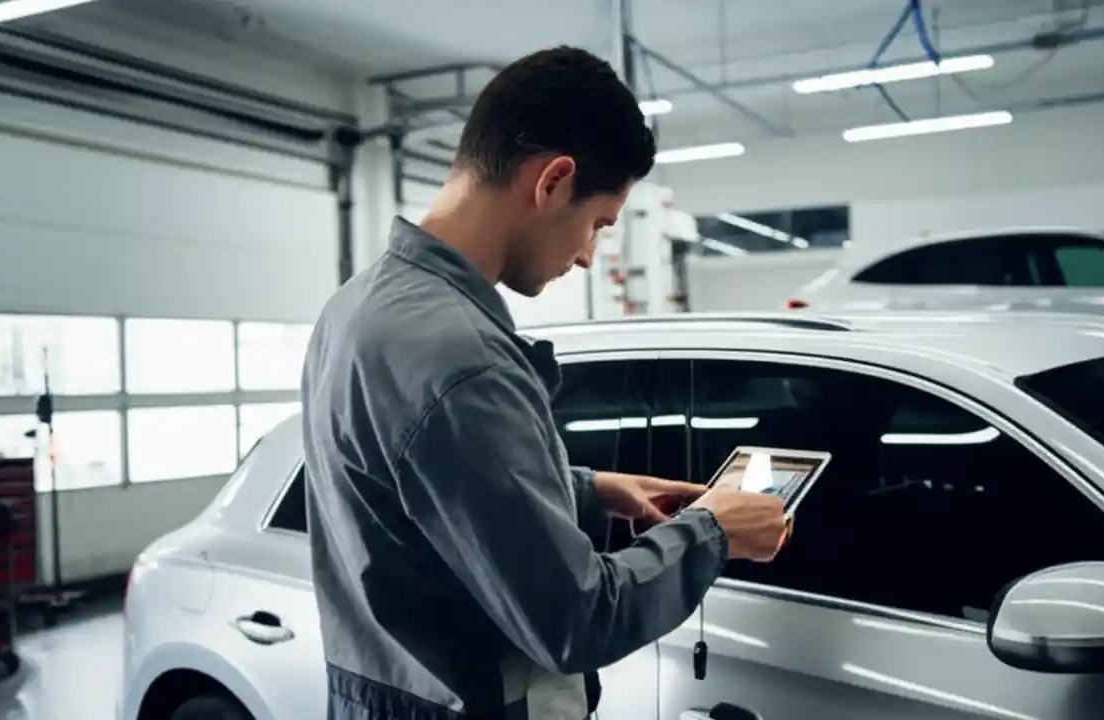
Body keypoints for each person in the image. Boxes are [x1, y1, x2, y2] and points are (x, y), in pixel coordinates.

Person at [301, 46, 789, 720]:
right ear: (553, 181)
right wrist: (714, 530)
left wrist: (585, 490)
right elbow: (575, 620)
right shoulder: (462, 356)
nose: (589, 255)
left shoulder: (358, 305)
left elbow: (419, 502)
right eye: (599, 224)